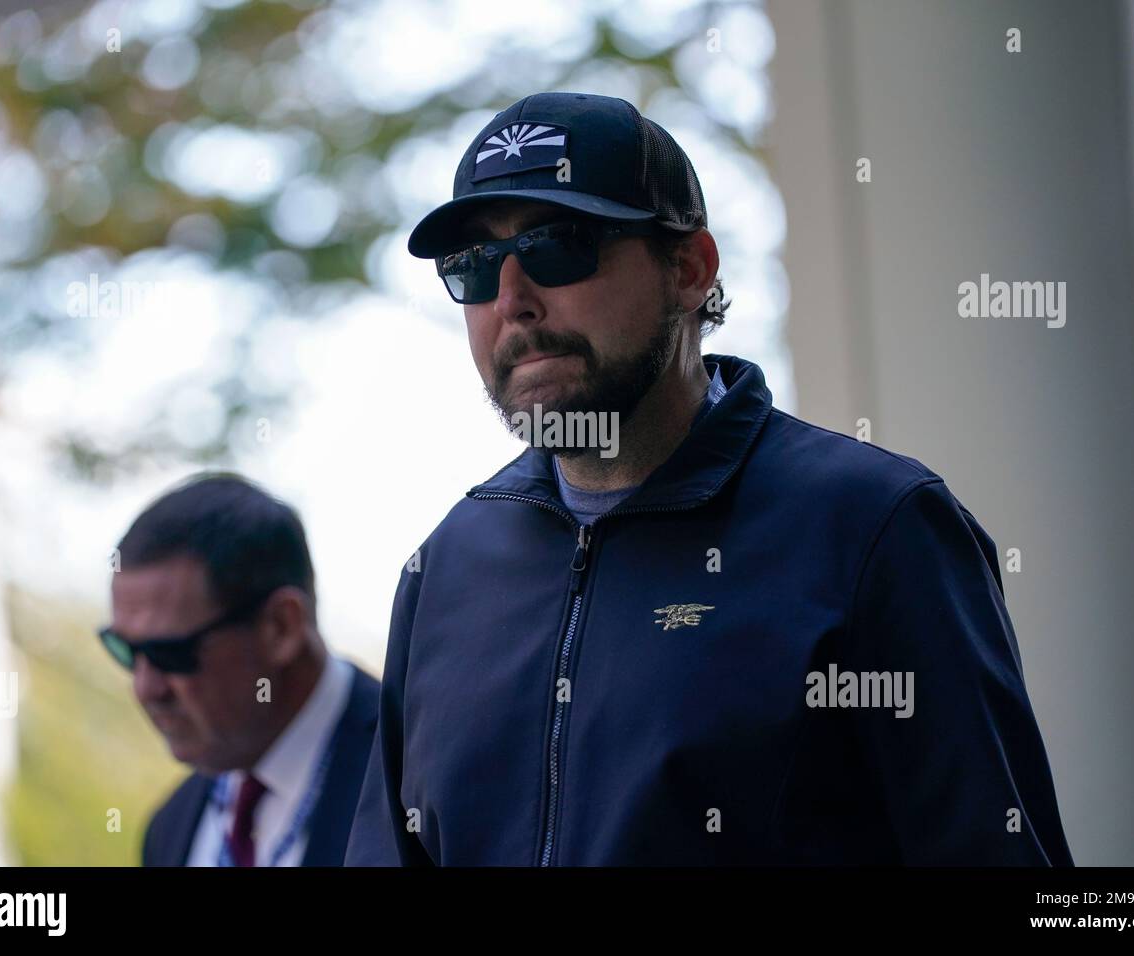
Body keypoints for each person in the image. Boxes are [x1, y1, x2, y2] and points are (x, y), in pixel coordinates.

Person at [344, 91, 1073, 865]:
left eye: (560, 245)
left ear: (690, 269)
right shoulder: (445, 571)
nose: (513, 302)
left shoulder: (872, 528)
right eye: (475, 266)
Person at [97, 472, 379, 866]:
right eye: (125, 650)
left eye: (171, 653)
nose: (146, 688)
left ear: (281, 627)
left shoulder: (414, 779)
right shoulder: (171, 827)